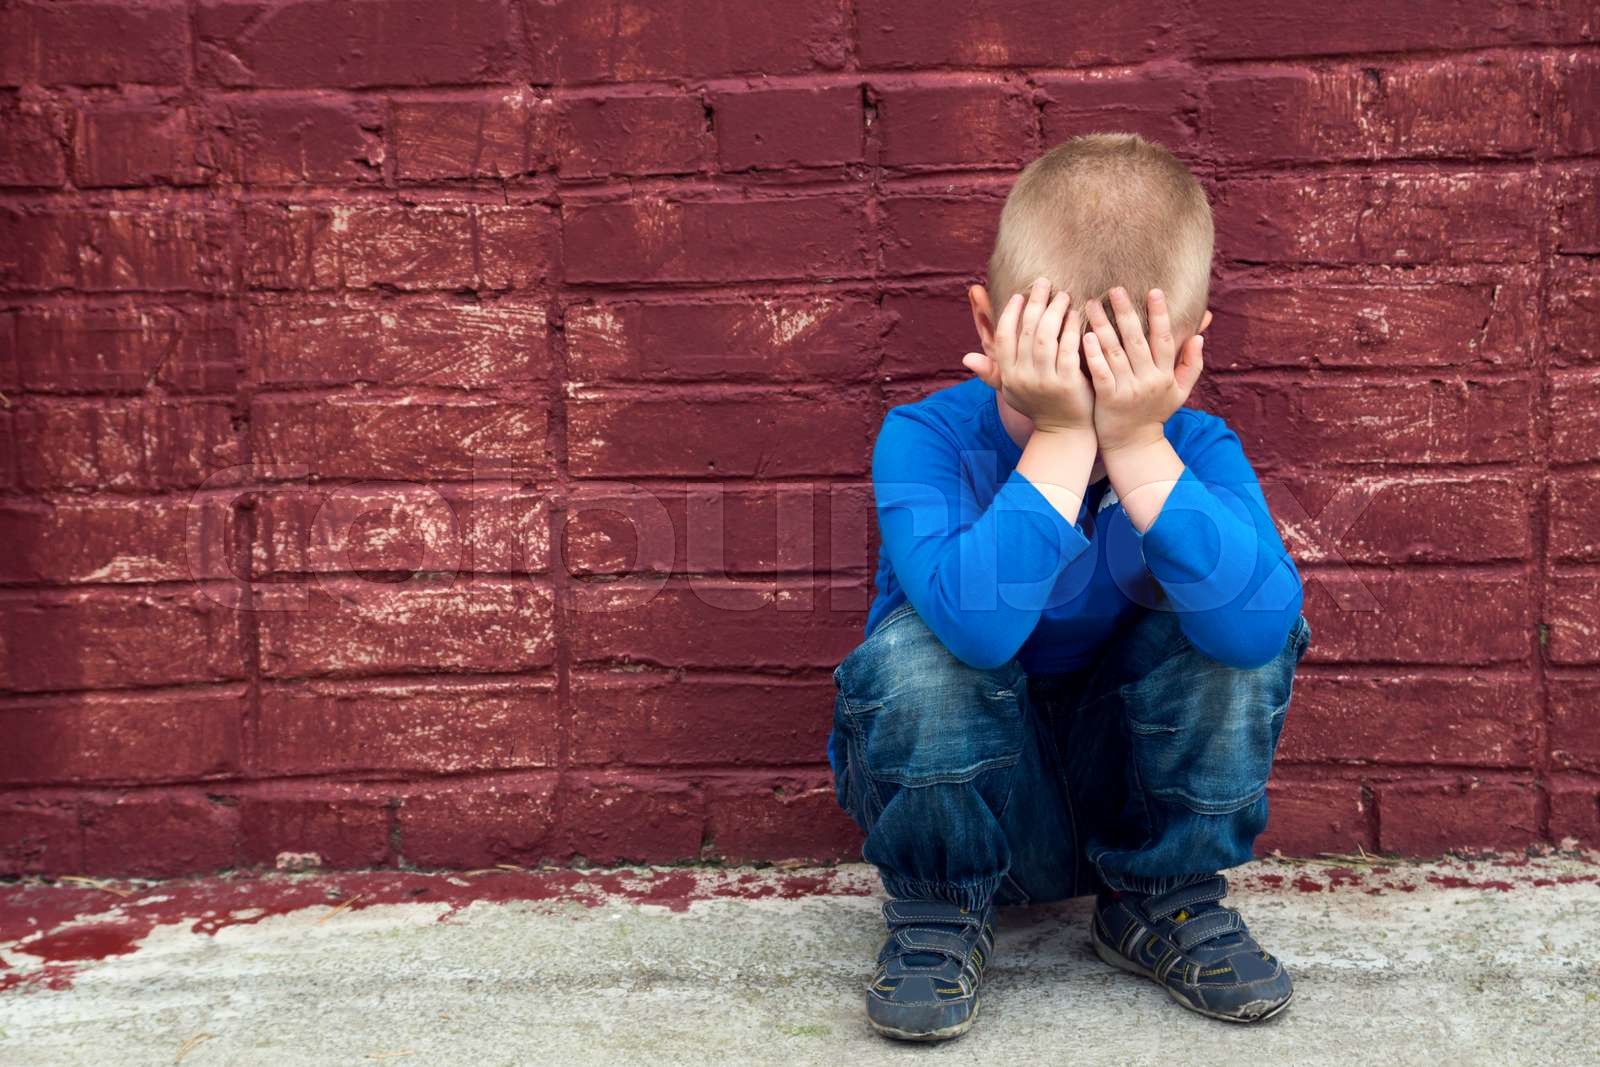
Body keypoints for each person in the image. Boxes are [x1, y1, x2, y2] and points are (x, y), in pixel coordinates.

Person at [827, 132, 1311, 1041]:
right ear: (987, 330)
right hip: (966, 807)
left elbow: (1255, 637)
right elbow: (978, 629)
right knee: (921, 653)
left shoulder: (1196, 452)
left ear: (1183, 358)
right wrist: (1057, 445)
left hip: (1129, 799)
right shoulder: (922, 439)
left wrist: (1137, 448)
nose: (1085, 407)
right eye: (1060, 374)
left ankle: (1160, 897)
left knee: (1239, 610)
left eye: (1114, 377)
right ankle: (936, 912)